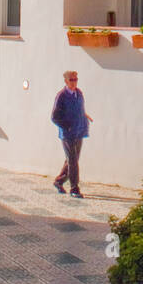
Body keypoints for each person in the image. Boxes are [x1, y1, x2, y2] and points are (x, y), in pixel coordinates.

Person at [51, 70, 92, 198]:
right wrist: (66, 126)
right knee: (73, 161)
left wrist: (85, 116)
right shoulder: (61, 96)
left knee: (72, 160)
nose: (74, 82)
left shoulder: (79, 93)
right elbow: (54, 116)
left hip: (79, 130)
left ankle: (59, 181)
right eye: (71, 80)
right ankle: (74, 188)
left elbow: (79, 109)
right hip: (68, 134)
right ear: (66, 81)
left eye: (76, 79)